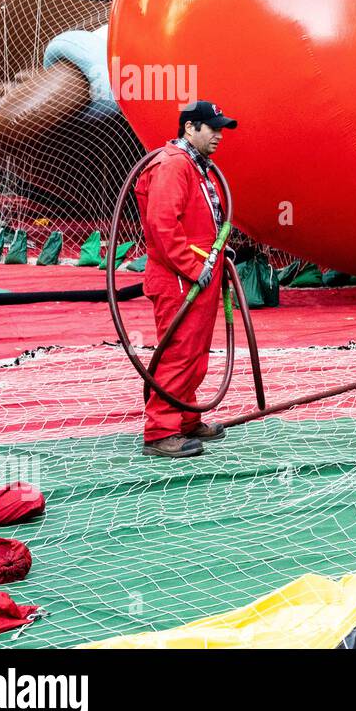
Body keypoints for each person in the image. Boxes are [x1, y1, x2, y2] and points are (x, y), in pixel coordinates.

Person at [134, 100, 238, 458]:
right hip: (182, 279)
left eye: (221, 129)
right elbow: (164, 227)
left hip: (198, 277)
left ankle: (185, 417)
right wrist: (196, 269)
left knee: (194, 354)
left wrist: (217, 259)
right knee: (178, 354)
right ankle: (160, 431)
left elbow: (199, 223)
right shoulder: (173, 165)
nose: (219, 136)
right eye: (213, 128)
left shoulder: (195, 166)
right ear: (191, 127)